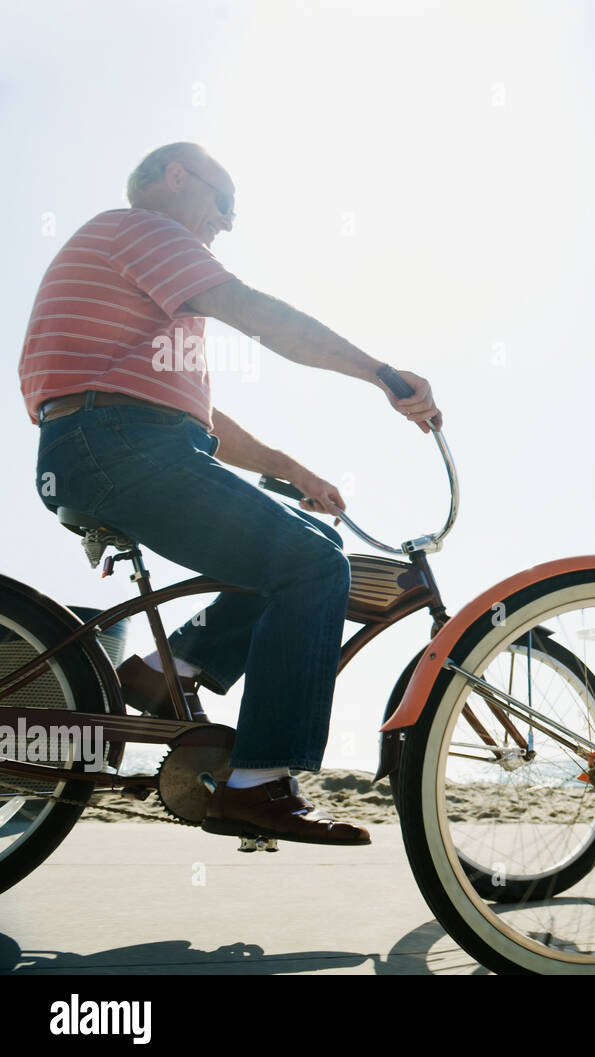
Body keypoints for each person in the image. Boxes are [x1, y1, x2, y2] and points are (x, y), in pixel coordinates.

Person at [19, 142, 441, 845]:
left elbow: (200, 423)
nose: (228, 223)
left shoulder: (142, 283)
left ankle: (166, 669)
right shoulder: (143, 229)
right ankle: (260, 783)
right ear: (176, 177)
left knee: (310, 547)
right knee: (312, 567)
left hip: (110, 443)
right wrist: (383, 374)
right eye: (225, 203)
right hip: (118, 443)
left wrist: (294, 471)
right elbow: (255, 314)